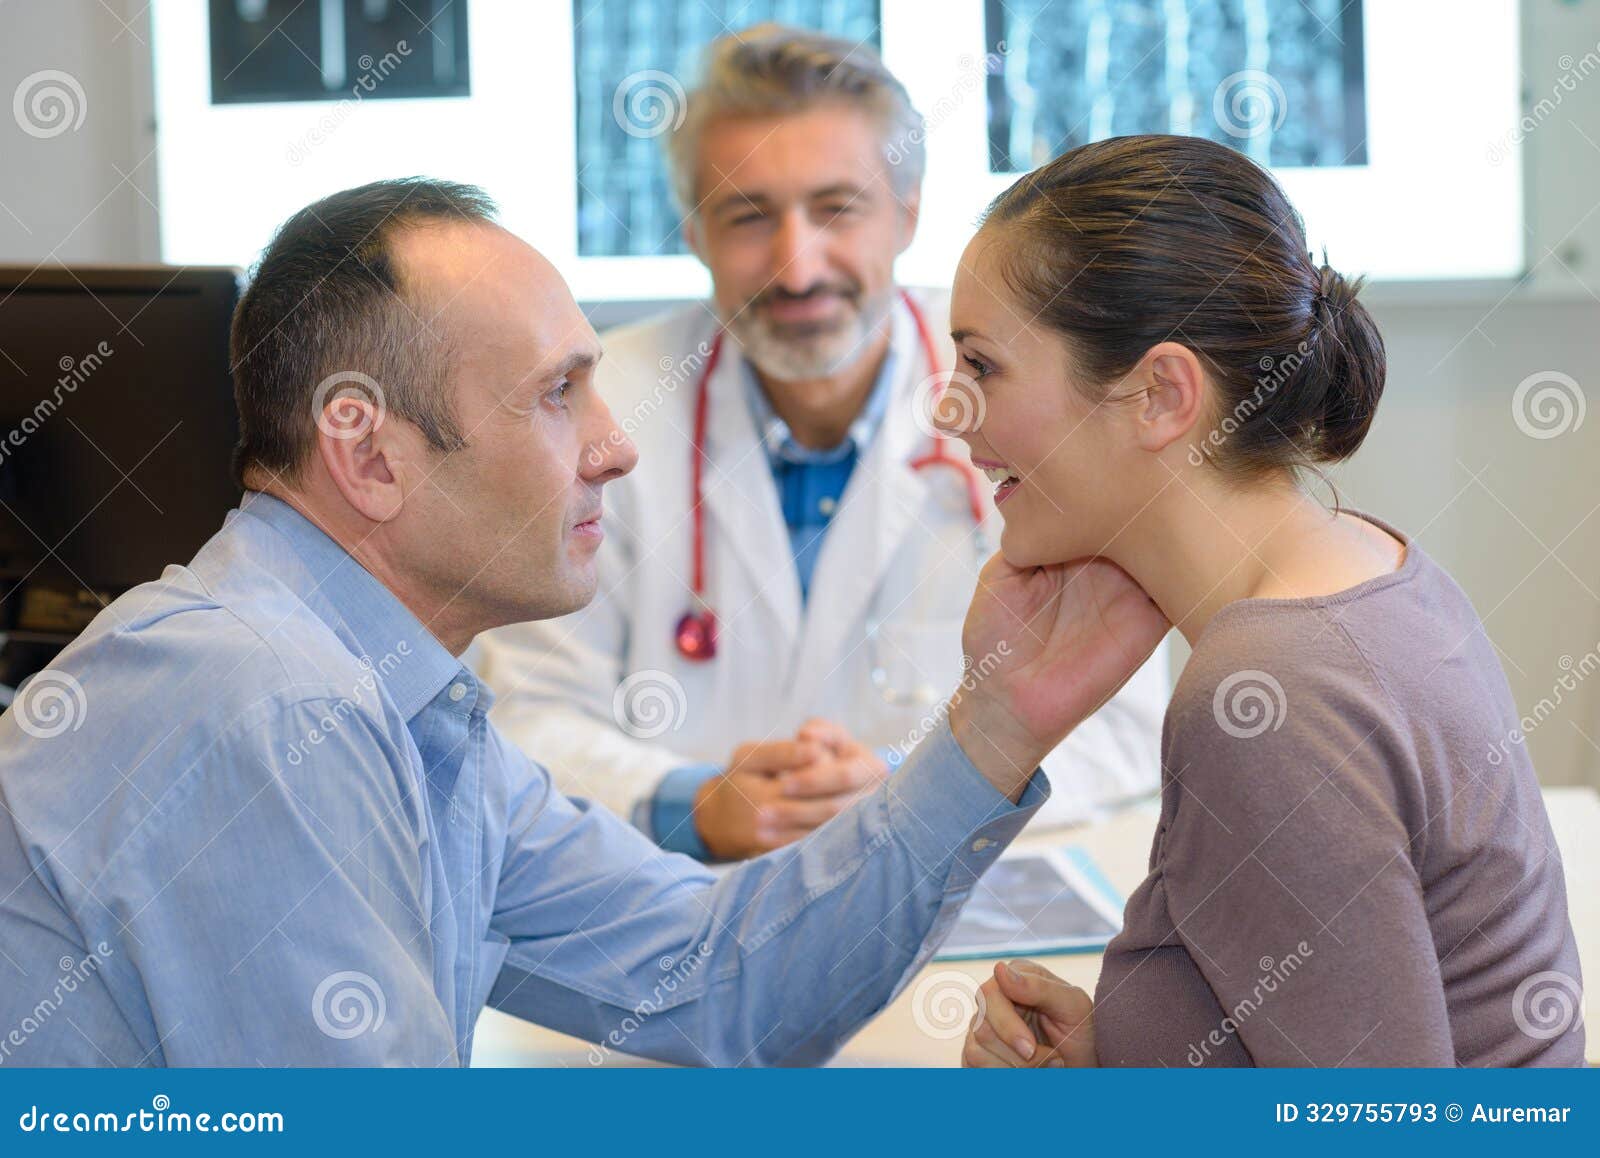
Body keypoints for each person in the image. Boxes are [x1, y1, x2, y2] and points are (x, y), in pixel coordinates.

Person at [0, 177, 1169, 1066]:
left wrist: (996, 727)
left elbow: (726, 983)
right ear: (367, 451)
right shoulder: (253, 695)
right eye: (558, 393)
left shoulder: (410, 714)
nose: (616, 444)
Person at [950, 135, 1584, 1067]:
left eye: (982, 368)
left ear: (1162, 394)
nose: (948, 410)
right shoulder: (1369, 562)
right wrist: (1124, 1053)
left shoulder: (1266, 695)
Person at [480, 25, 1168, 862]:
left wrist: (909, 785)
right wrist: (685, 803)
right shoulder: (599, 409)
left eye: (837, 208)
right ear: (693, 230)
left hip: (941, 904)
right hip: (681, 898)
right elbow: (519, 717)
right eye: (746, 214)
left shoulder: (1032, 403)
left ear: (908, 212)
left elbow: (1125, 732)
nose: (797, 268)